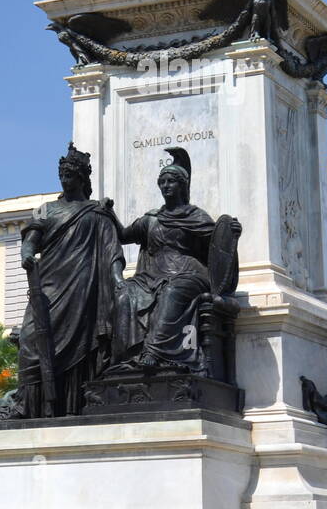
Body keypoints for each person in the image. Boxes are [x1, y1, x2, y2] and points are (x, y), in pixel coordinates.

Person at [17, 143, 125, 416]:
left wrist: (117, 280)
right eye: (62, 174)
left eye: (70, 174)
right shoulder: (46, 210)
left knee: (79, 345)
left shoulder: (96, 212)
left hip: (83, 287)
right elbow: (31, 240)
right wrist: (27, 255)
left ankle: (70, 405)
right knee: (31, 340)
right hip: (49, 286)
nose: (65, 179)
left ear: (82, 177)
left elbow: (112, 250)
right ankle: (28, 407)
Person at [106, 149, 235, 370]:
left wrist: (232, 234)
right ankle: (125, 358)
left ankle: (154, 352)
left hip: (189, 273)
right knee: (123, 295)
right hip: (151, 275)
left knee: (172, 291)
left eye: (171, 182)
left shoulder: (196, 216)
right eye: (162, 182)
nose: (165, 186)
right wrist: (108, 213)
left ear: (182, 186)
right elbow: (124, 235)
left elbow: (219, 246)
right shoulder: (151, 219)